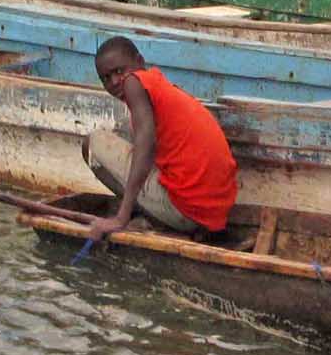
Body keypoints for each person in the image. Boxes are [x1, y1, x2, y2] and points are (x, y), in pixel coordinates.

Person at [83, 37, 237, 239]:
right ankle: (142, 210)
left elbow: (146, 147)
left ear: (140, 62)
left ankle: (135, 213)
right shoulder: (156, 83)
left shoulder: (133, 82)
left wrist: (121, 218)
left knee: (91, 143)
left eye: (119, 71)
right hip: (216, 212)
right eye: (105, 78)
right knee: (125, 132)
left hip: (188, 212)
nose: (114, 82)